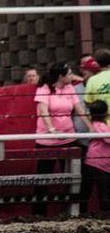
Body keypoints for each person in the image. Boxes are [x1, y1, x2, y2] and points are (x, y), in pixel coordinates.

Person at [32, 62, 92, 216]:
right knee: (43, 178)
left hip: (68, 136)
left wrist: (92, 128)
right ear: (61, 76)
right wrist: (52, 129)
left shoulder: (69, 87)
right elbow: (43, 110)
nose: (72, 76)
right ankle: (39, 213)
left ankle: (74, 211)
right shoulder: (44, 88)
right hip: (47, 140)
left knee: (76, 174)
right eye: (69, 73)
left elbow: (79, 110)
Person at [79, 100, 110, 212]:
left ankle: (82, 211)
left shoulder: (96, 125)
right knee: (103, 191)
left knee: (88, 189)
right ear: (106, 113)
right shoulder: (99, 126)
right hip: (98, 163)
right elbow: (108, 138)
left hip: (95, 161)